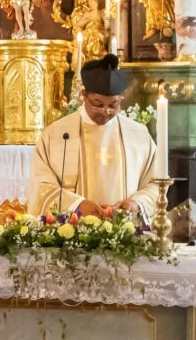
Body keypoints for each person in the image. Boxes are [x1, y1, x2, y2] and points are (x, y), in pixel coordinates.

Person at [28, 54, 158, 221]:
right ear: (84, 95)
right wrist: (77, 205)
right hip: (72, 233)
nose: (106, 111)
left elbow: (156, 183)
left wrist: (135, 203)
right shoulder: (55, 134)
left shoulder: (138, 134)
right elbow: (42, 186)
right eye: (98, 104)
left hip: (126, 232)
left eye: (113, 105)